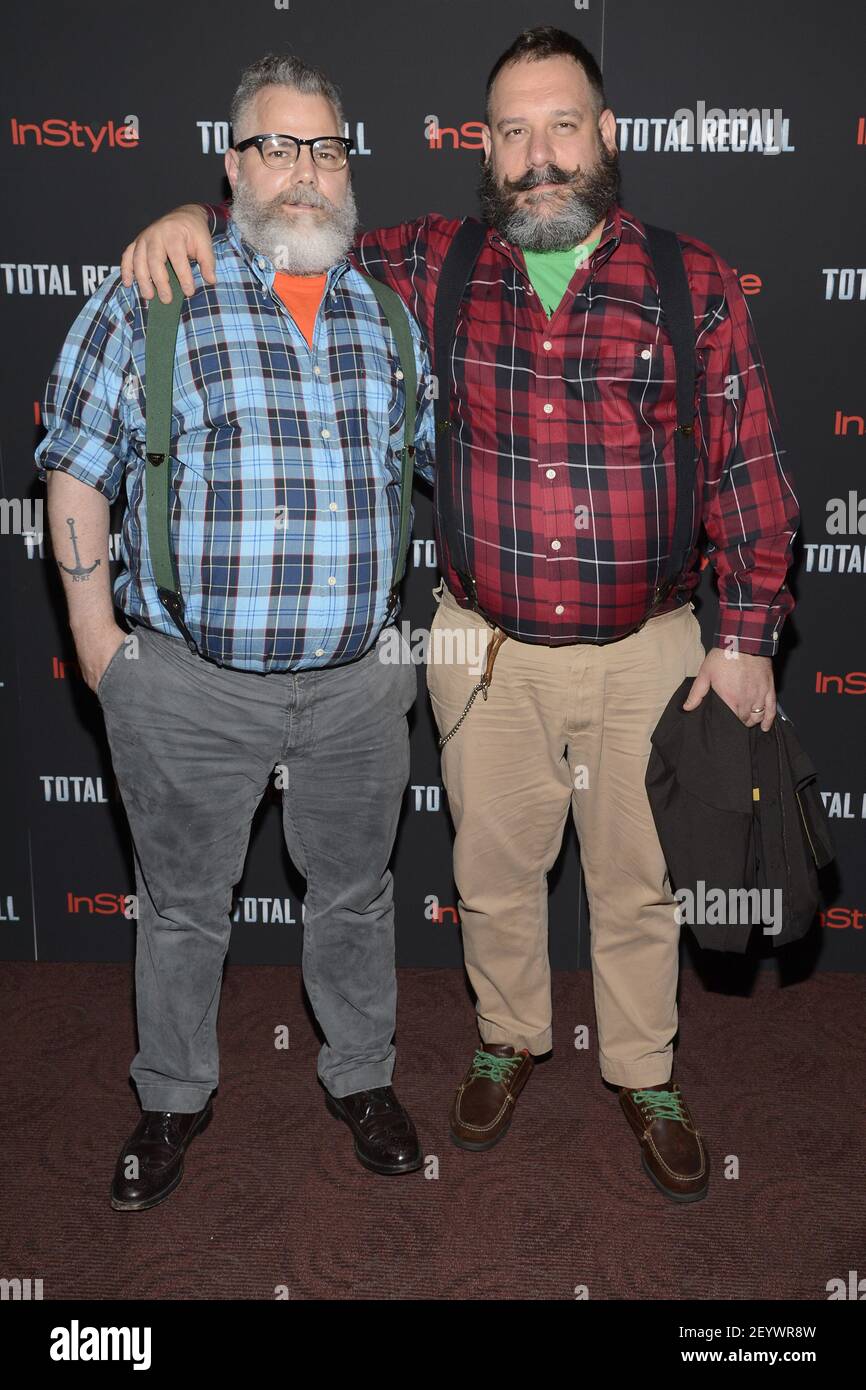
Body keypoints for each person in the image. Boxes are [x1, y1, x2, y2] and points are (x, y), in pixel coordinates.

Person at [118, 26, 800, 1203]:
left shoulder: (692, 282)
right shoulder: (427, 262)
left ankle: (642, 1070)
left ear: (608, 136)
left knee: (636, 884)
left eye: (562, 125)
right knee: (491, 872)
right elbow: (290, 216)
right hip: (478, 642)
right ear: (481, 148)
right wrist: (191, 213)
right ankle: (510, 1036)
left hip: (650, 646)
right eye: (512, 132)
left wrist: (744, 637)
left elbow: (747, 467)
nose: (538, 155)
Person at [35, 53, 436, 1209]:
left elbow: (430, 468)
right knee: (179, 908)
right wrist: (98, 642)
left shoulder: (387, 320)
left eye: (323, 148)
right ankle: (170, 1096)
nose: (302, 172)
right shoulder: (160, 287)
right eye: (276, 146)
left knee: (355, 898)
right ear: (231, 164)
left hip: (358, 687)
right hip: (187, 685)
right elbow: (75, 469)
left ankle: (360, 1077)